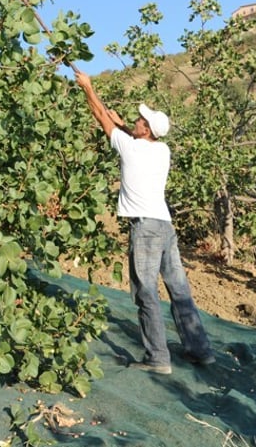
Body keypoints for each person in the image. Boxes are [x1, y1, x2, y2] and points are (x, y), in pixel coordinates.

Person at [73, 68, 215, 374]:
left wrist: (88, 87)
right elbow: (132, 139)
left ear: (146, 130)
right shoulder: (163, 150)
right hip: (165, 226)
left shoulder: (132, 145)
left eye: (140, 121)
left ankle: (158, 358)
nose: (136, 120)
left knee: (145, 291)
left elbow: (99, 114)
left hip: (146, 228)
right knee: (178, 288)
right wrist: (123, 125)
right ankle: (200, 350)